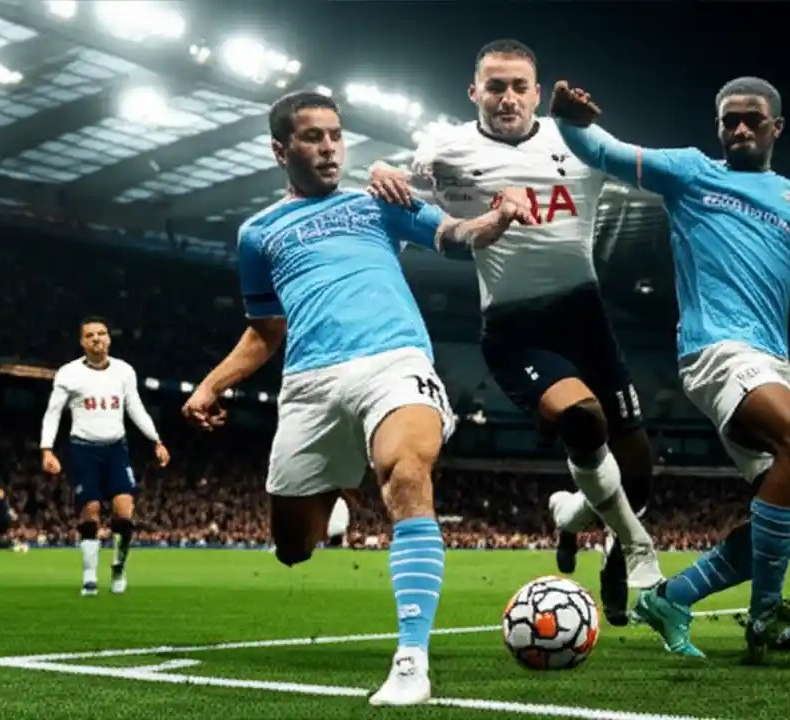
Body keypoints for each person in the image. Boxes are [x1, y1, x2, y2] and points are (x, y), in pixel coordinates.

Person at [180, 90, 532, 707]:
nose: (329, 147)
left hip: (393, 362)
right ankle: (334, 507)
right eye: (313, 137)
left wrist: (497, 218)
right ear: (280, 150)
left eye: (336, 136)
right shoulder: (257, 235)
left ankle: (410, 660)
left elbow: (456, 233)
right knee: (293, 546)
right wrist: (212, 383)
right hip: (310, 385)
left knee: (406, 470)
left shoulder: (379, 201)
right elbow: (265, 330)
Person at [550, 76, 790, 661]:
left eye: (752, 120)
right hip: (717, 353)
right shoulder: (691, 172)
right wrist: (568, 122)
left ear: (776, 129)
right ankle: (763, 615)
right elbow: (603, 153)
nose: (739, 128)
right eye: (729, 120)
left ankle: (672, 596)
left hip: (773, 364)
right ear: (718, 127)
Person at [367, 39, 661, 625]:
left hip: (586, 315)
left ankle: (576, 516)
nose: (507, 98)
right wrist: (382, 171)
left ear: (536, 91)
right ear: (473, 91)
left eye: (518, 86)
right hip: (514, 324)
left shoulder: (575, 140)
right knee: (583, 420)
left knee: (638, 469)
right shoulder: (446, 148)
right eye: (494, 86)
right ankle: (637, 547)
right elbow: (403, 186)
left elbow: (659, 173)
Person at [40, 316, 168, 597]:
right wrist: (46, 449)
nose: (97, 338)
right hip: (82, 449)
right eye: (90, 335)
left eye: (102, 333)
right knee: (91, 511)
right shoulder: (69, 374)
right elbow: (53, 412)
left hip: (116, 449)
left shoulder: (124, 372)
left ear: (109, 338)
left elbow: (135, 407)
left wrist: (156, 440)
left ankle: (119, 567)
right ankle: (89, 576)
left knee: (124, 511)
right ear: (82, 342)